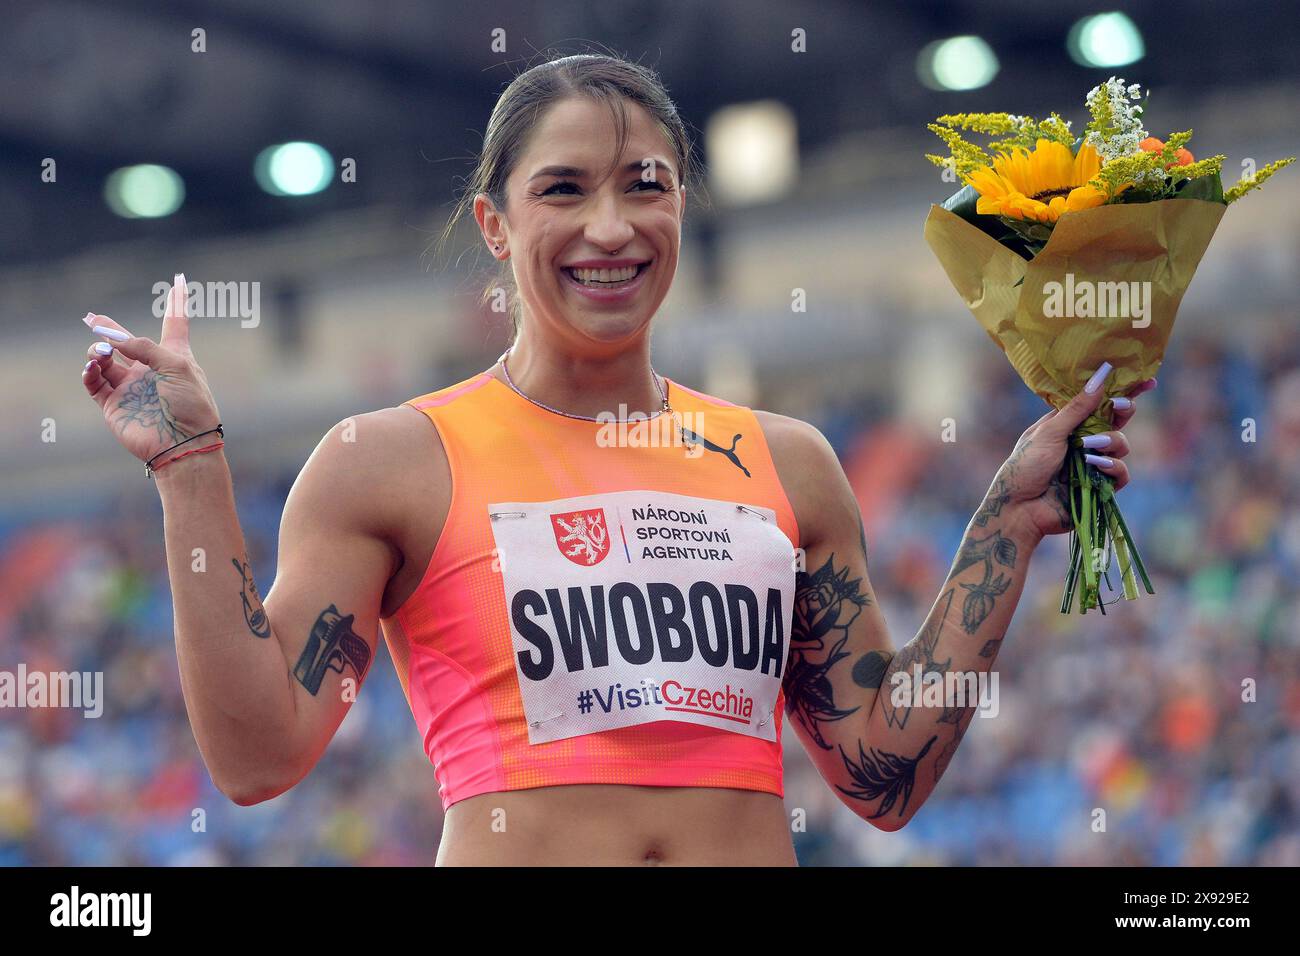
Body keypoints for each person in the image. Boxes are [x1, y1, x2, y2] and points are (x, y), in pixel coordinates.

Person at [79, 53, 1156, 866]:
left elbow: (882, 770)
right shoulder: (390, 462)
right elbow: (259, 755)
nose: (610, 226)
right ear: (493, 225)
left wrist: (1005, 527)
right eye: (562, 190)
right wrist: (191, 467)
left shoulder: (787, 461)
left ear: (682, 203)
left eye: (646, 184)